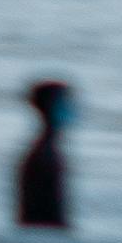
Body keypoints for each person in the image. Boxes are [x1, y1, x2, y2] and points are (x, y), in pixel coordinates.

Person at [10, 77, 76, 234]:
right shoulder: (44, 154)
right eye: (65, 103)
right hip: (42, 238)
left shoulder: (43, 150)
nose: (72, 108)